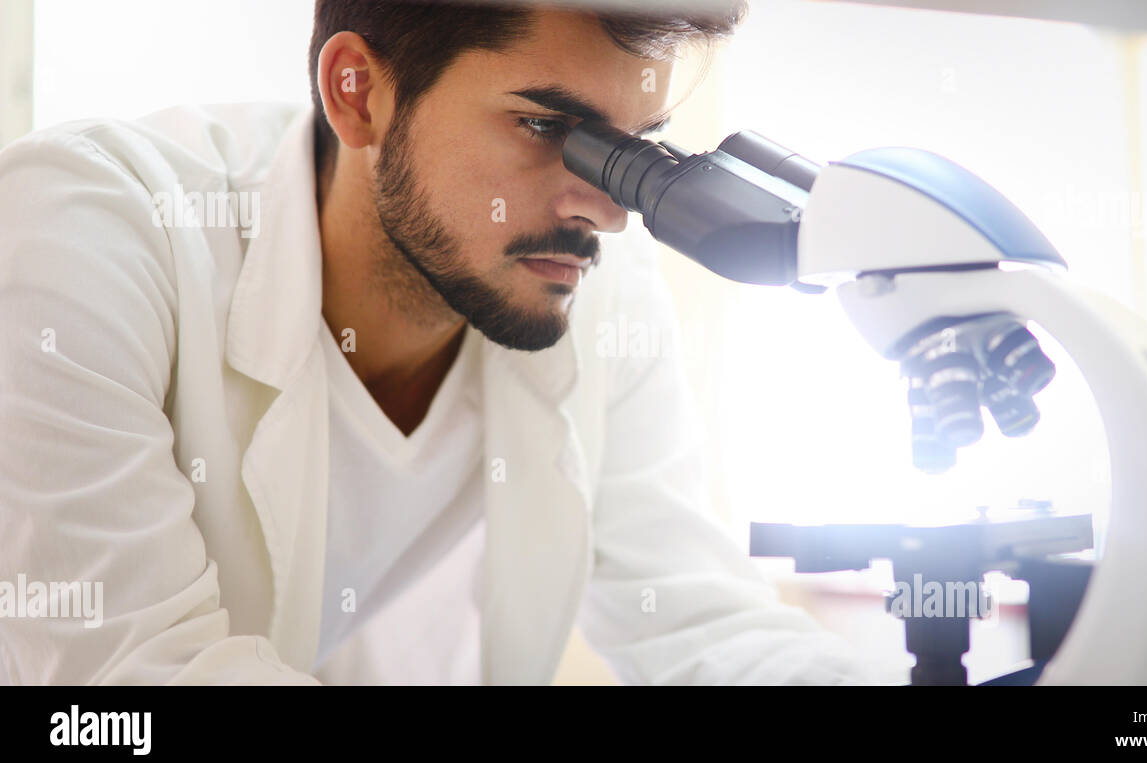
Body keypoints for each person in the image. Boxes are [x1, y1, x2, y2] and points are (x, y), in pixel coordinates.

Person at [0, 0, 880, 685]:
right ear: (359, 92)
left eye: (634, 150)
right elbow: (119, 698)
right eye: (547, 127)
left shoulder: (594, 290)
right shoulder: (83, 232)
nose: (606, 209)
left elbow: (701, 623)